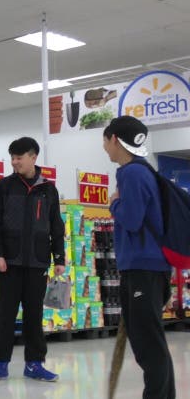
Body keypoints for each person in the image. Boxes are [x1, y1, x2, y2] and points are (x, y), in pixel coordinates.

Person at [103, 116, 175, 398]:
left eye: (105, 141)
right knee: (150, 341)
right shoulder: (145, 172)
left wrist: (114, 203)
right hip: (149, 267)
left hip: (143, 268)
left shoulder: (132, 173)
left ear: (114, 140)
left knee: (148, 344)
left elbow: (131, 220)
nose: (104, 148)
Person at [0, 137, 65, 383]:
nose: (14, 161)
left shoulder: (48, 189)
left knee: (34, 315)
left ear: (33, 157)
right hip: (9, 262)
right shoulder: (4, 187)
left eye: (19, 157)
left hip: (38, 262)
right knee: (5, 315)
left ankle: (34, 364)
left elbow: (56, 225)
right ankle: (0, 364)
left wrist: (59, 257)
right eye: (12, 157)